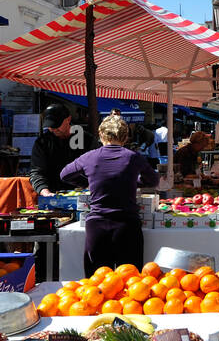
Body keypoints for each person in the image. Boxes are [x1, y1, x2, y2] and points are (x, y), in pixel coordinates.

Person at [59, 112, 161, 275]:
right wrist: (133, 182)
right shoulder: (134, 157)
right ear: (125, 137)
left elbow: (64, 174)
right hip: (127, 226)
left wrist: (87, 182)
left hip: (97, 226)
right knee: (130, 284)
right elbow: (153, 180)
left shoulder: (89, 157)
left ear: (101, 135)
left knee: (98, 284)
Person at [30, 104, 79, 196]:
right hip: (53, 193)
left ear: (68, 119)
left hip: (82, 193)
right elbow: (37, 172)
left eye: (57, 125)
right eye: (50, 126)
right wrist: (45, 192)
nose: (53, 129)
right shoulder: (42, 143)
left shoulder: (86, 140)